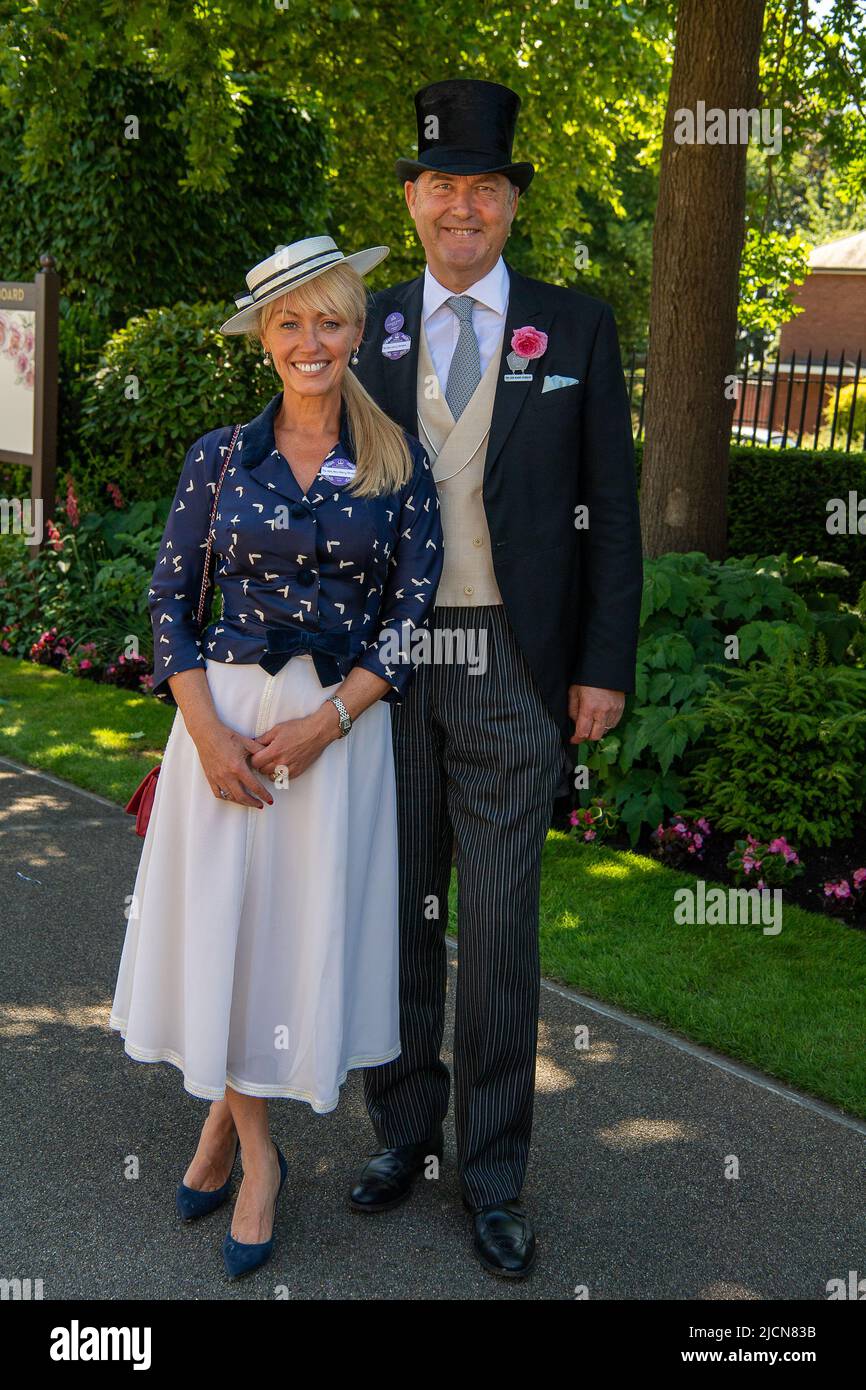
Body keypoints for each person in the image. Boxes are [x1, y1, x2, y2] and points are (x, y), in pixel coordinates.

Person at [349, 79, 644, 1279]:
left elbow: (611, 515)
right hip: (385, 670)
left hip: (514, 669)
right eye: (438, 186)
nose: (459, 207)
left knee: (502, 927)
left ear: (510, 203)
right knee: (397, 912)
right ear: (412, 201)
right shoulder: (357, 324)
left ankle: (492, 1174)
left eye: (482, 187)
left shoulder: (574, 327)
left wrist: (600, 665)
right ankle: (402, 1137)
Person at [109, 236, 443, 1280]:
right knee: (224, 933)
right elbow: (169, 599)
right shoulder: (218, 456)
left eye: (329, 320)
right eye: (288, 323)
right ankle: (258, 1151)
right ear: (264, 337)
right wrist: (205, 733)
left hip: (333, 737)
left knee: (282, 944)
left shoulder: (396, 460)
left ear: (353, 331)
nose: (310, 341)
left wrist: (329, 721)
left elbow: (410, 614)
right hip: (224, 722)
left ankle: (222, 1127)